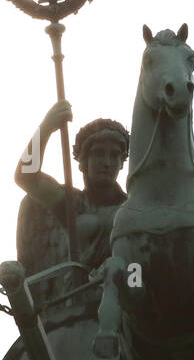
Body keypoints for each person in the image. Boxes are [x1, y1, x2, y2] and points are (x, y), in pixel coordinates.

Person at [14, 100, 129, 302]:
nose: (107, 162)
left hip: (122, 306)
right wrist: (47, 127)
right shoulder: (71, 203)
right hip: (74, 304)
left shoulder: (132, 209)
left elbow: (140, 267)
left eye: (115, 155)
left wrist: (134, 288)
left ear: (122, 162)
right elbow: (26, 175)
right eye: (99, 153)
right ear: (82, 162)